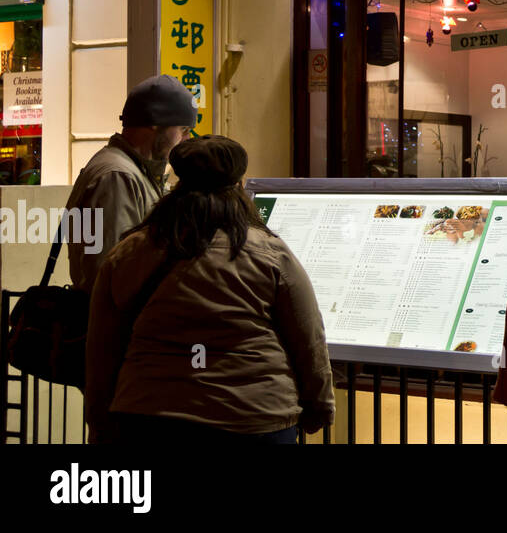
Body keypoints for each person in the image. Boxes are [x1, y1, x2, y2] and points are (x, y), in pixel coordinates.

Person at [84, 135, 334, 444]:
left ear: (178, 186)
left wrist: (98, 421)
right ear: (238, 186)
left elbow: (102, 348)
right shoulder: (270, 254)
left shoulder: (129, 253)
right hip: (254, 417)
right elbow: (308, 338)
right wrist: (319, 406)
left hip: (148, 416)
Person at [63, 74, 198, 293]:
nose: (186, 139)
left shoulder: (134, 171)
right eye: (183, 130)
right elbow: (110, 271)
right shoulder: (117, 177)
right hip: (113, 322)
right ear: (155, 123)